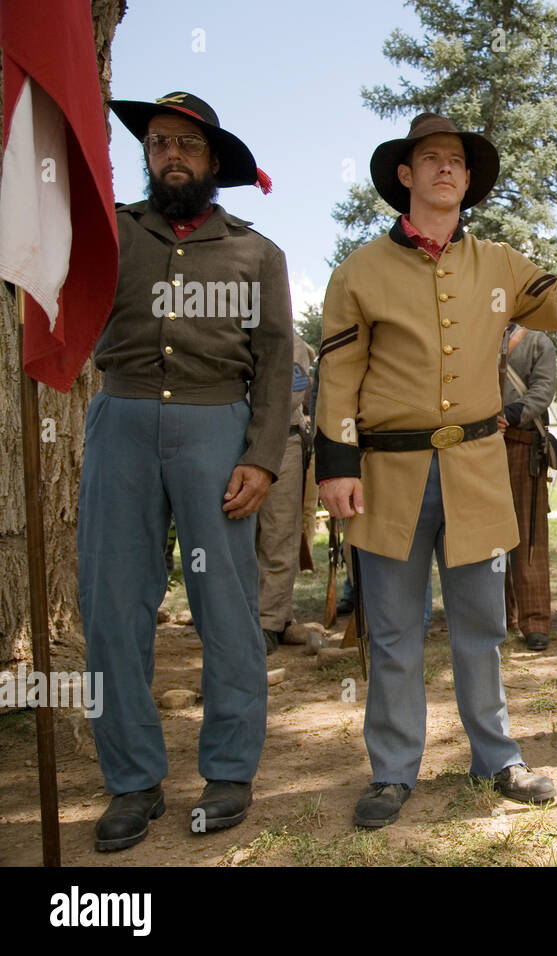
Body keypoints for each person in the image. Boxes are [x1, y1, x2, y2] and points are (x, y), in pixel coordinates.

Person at [314, 113, 557, 828]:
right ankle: (393, 771)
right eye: (429, 158)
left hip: (478, 472)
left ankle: (497, 758)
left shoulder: (501, 264)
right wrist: (335, 467)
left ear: (468, 178)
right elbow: (337, 381)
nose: (445, 169)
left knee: (482, 625)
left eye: (455, 160)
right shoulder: (358, 273)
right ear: (405, 175)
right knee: (393, 631)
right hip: (388, 477)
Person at [84, 91, 291, 851]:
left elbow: (274, 364)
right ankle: (132, 781)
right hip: (122, 425)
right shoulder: (106, 230)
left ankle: (231, 768)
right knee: (112, 608)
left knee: (227, 608)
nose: (172, 154)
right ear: (147, 154)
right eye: (160, 142)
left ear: (212, 162)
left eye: (189, 145)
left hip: (217, 432)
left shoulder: (256, 251)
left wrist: (263, 457)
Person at [499, 322, 557, 650]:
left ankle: (535, 619)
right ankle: (496, 614)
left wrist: (505, 414)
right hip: (479, 444)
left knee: (529, 536)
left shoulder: (537, 341)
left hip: (522, 442)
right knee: (485, 537)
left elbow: (542, 391)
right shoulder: (474, 331)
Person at [258, 332, 315, 652]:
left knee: (278, 532)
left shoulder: (290, 341)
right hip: (233, 438)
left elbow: (288, 397)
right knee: (241, 535)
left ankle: (270, 620)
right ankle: (254, 614)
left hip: (282, 439)